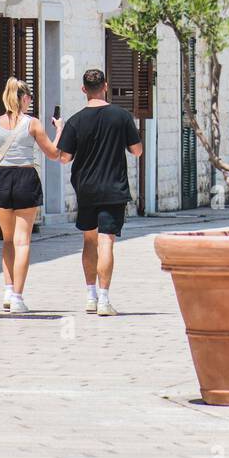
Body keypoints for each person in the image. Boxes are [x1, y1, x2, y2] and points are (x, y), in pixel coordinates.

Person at [0, 77, 64, 315]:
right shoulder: (32, 124)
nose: (30, 101)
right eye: (29, 97)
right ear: (23, 99)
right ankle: (18, 298)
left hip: (1, 180)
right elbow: (53, 154)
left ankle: (8, 290)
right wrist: (60, 130)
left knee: (8, 240)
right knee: (23, 242)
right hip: (25, 179)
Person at [57, 67, 142, 317]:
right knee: (107, 241)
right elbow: (136, 150)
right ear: (106, 85)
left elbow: (64, 158)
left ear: (84, 89)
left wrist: (60, 131)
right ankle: (104, 300)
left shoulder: (75, 121)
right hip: (113, 188)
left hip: (86, 189)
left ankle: (90, 296)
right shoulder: (121, 116)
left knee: (89, 241)